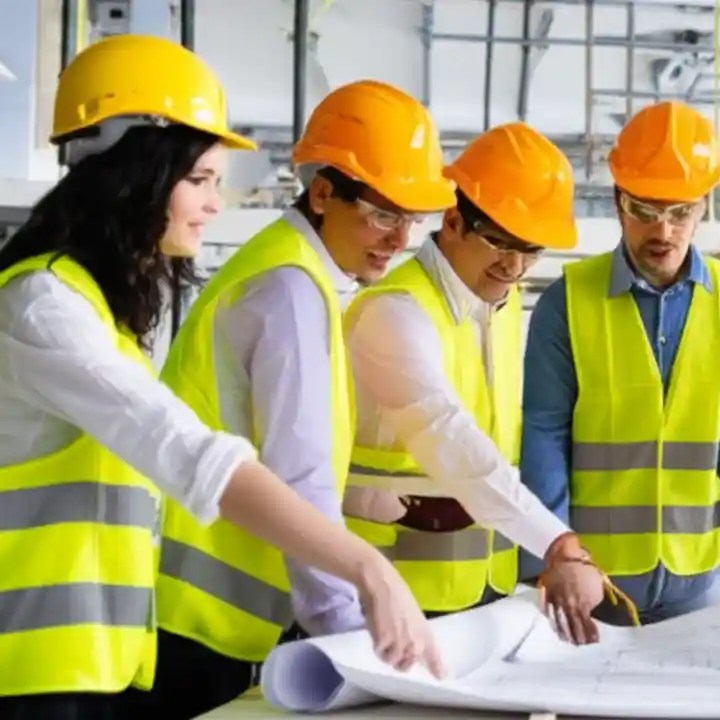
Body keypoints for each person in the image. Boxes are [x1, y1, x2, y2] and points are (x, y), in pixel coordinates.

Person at [0, 35, 438, 720]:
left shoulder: (99, 311)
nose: (214, 203)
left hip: (87, 666)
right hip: (29, 674)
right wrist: (365, 568)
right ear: (136, 171)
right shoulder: (43, 308)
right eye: (200, 179)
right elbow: (191, 454)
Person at [147, 79, 457, 719]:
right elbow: (300, 478)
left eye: (413, 220)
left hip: (199, 616)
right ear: (322, 194)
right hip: (199, 624)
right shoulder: (290, 291)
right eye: (383, 214)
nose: (399, 240)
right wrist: (351, 643)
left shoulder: (290, 270)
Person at [343, 121, 632, 644]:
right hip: (392, 595)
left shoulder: (501, 301)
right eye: (499, 242)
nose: (514, 267)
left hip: (483, 592)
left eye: (531, 249)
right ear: (453, 220)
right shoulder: (396, 312)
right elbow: (446, 434)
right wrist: (557, 542)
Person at [521, 100, 720, 626]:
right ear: (618, 202)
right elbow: (543, 439)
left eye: (680, 212)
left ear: (704, 206)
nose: (663, 231)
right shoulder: (566, 302)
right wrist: (555, 555)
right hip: (594, 583)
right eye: (645, 211)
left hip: (701, 581)